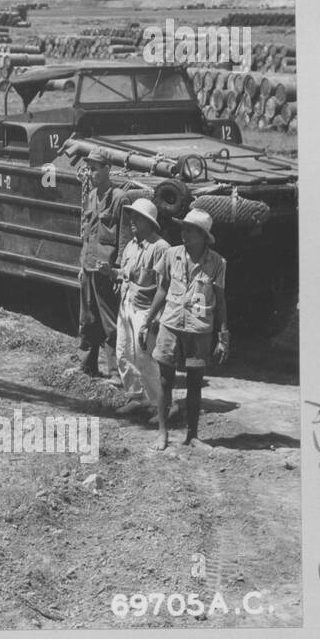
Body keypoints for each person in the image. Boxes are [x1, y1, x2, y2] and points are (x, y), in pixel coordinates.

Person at [142, 208, 230, 450]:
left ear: (203, 236)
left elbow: (220, 301)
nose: (184, 233)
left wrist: (223, 336)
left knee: (194, 382)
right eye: (184, 228)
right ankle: (162, 433)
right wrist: (148, 320)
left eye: (190, 230)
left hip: (199, 331)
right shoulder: (171, 255)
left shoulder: (217, 263)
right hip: (170, 326)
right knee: (164, 380)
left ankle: (193, 435)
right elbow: (162, 289)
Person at [76, 148, 131, 376]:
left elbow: (124, 239)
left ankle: (116, 373)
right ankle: (86, 365)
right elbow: (86, 234)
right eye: (88, 168)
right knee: (87, 320)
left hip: (107, 270)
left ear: (108, 169)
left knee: (110, 324)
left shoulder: (119, 198)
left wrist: (118, 271)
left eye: (95, 168)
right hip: (89, 267)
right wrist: (81, 266)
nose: (90, 173)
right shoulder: (91, 196)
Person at [115, 198, 170, 408]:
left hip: (146, 310)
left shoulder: (160, 248)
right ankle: (135, 396)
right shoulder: (131, 245)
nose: (132, 221)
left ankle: (159, 404)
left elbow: (163, 287)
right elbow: (125, 274)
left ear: (149, 222)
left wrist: (154, 318)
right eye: (132, 216)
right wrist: (112, 273)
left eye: (138, 217)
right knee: (124, 352)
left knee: (145, 357)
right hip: (126, 305)